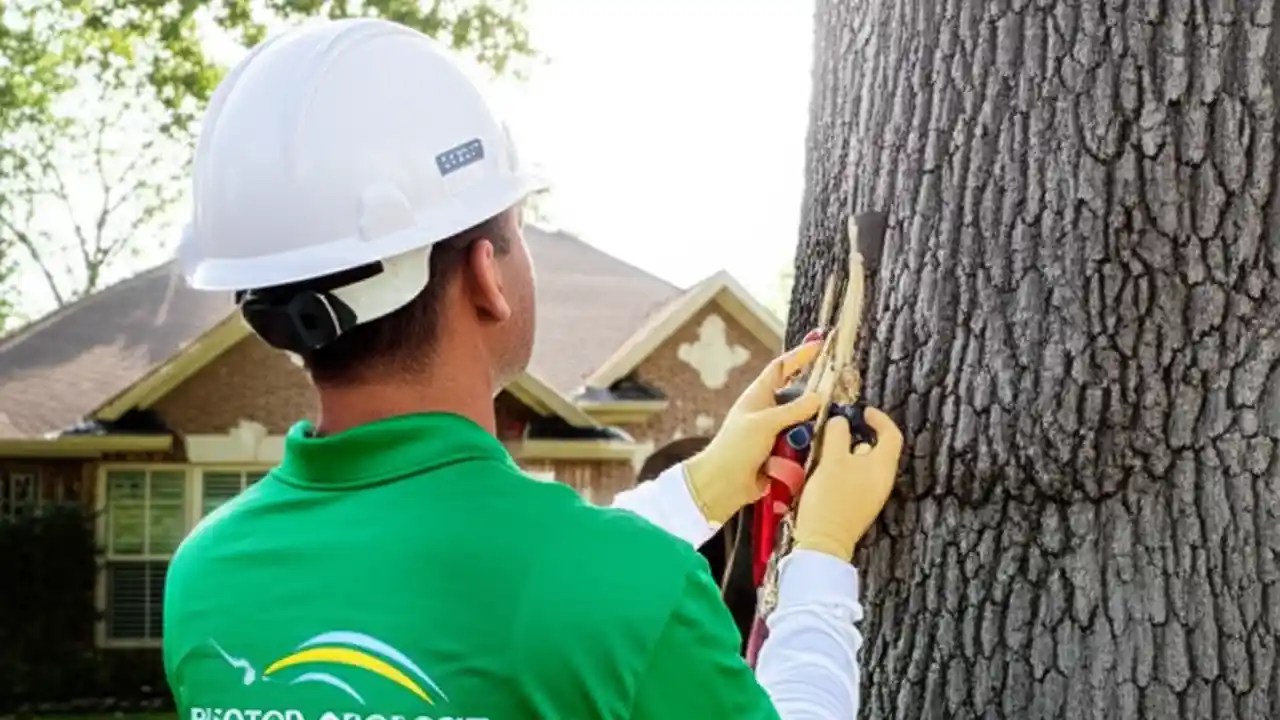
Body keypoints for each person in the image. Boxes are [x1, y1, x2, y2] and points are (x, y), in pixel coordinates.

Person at [163, 17, 904, 720]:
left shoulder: (206, 574)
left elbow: (515, 603)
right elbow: (563, 594)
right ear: (486, 275)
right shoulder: (632, 588)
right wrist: (821, 557)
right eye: (517, 232)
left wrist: (701, 489)